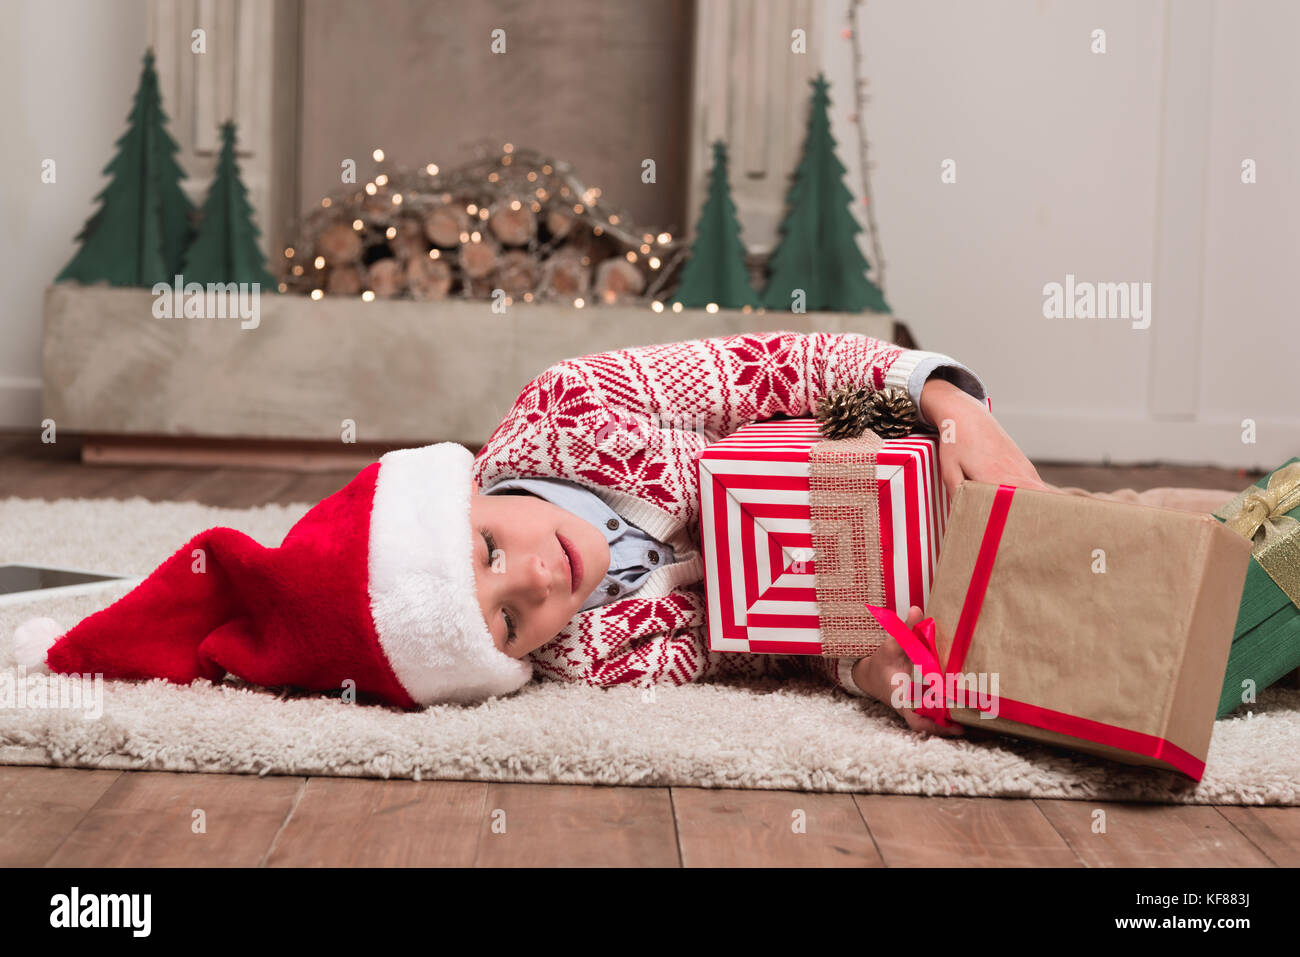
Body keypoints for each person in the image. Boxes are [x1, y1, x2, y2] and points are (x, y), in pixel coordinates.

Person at [13, 330, 1232, 734]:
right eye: (507, 619)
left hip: (898, 446)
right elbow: (770, 649)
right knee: (1091, 655)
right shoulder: (588, 654)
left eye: (490, 548)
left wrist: (951, 403)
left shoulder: (578, 408)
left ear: (467, 492)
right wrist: (881, 670)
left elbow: (785, 358)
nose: (536, 580)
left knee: (1132, 538)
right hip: (901, 583)